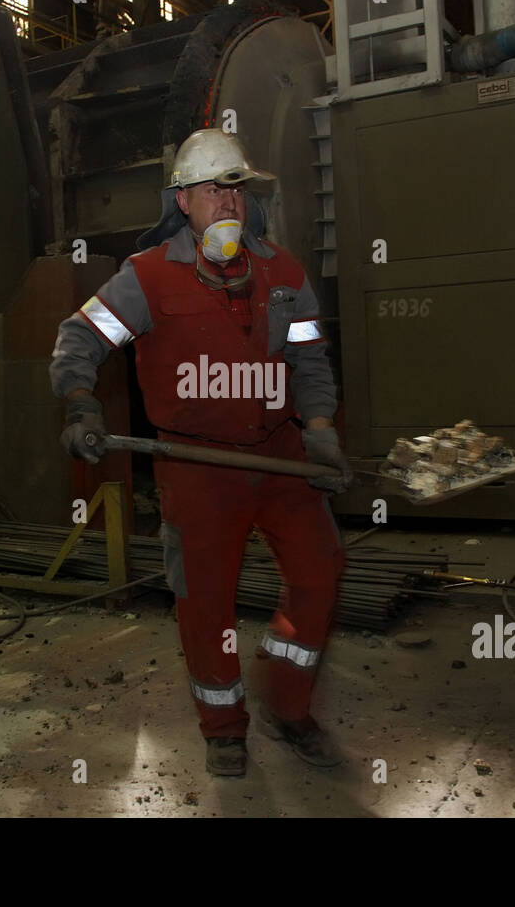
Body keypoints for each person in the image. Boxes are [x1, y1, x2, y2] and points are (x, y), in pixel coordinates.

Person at [49, 129, 351, 777]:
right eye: (212, 190)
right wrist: (80, 402)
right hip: (196, 467)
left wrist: (321, 429)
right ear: (182, 201)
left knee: (320, 572)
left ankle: (288, 704)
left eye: (236, 189)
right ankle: (223, 728)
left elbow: (308, 359)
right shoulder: (147, 278)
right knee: (205, 601)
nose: (228, 202)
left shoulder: (285, 273)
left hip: (281, 456)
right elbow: (80, 337)